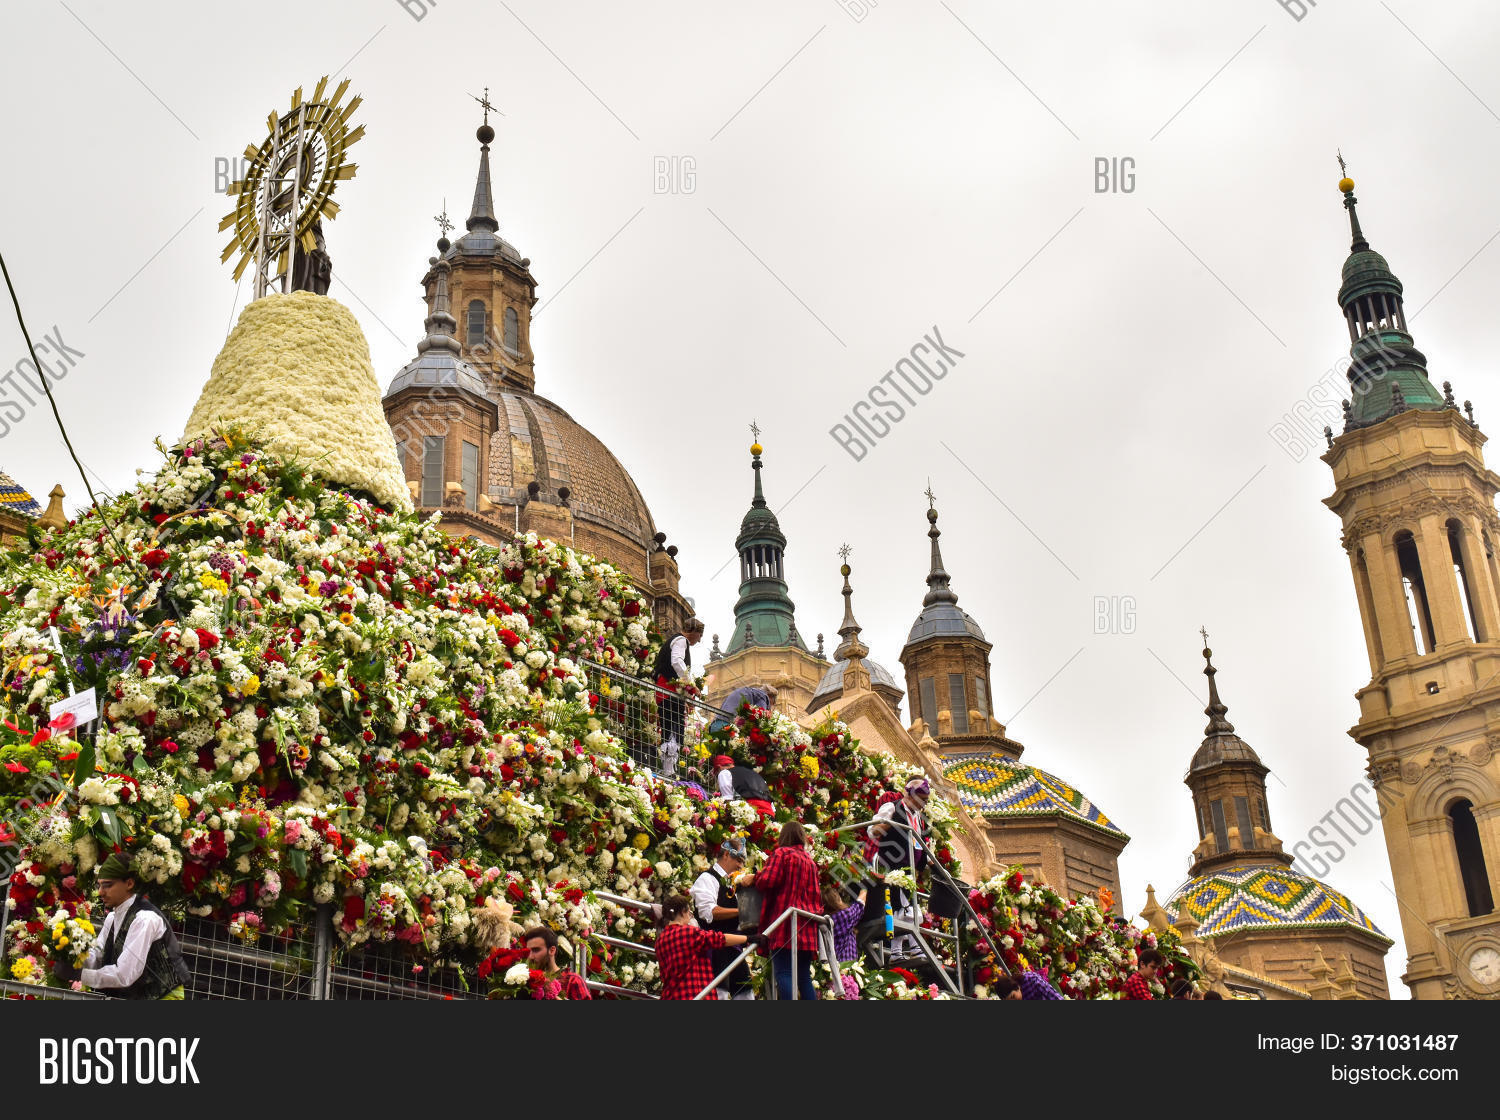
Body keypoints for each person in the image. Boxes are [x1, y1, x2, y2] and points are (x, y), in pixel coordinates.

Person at [54, 851, 192, 999]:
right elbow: (98, 957)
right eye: (99, 885)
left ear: (129, 883)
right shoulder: (112, 918)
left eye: (108, 885)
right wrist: (71, 955)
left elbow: (124, 975)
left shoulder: (145, 919)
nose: (100, 892)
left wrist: (79, 975)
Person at [742, 821, 822, 1000]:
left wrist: (755, 877)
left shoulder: (782, 853)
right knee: (804, 976)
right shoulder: (810, 861)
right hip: (807, 924)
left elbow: (768, 880)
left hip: (785, 922)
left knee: (784, 972)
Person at [691, 838, 753, 999]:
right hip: (714, 948)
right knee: (719, 994)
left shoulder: (733, 882)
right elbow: (709, 913)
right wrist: (741, 911)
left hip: (734, 946)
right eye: (738, 860)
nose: (740, 866)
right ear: (726, 855)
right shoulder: (707, 878)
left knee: (746, 994)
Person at [655, 893, 750, 1000]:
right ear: (682, 912)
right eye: (690, 913)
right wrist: (748, 938)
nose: (690, 917)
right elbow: (719, 939)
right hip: (692, 993)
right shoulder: (688, 932)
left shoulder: (660, 940)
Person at [652, 619, 704, 776]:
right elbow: (677, 662)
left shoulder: (674, 640)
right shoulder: (681, 641)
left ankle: (670, 768)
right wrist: (691, 685)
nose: (699, 640)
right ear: (693, 632)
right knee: (673, 728)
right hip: (669, 691)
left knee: (671, 728)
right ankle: (668, 769)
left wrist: (687, 694)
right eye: (700, 635)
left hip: (666, 691)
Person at [523, 925, 592, 1000]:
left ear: (552, 950)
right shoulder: (525, 980)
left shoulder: (572, 980)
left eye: (536, 950)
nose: (531, 956)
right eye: (528, 951)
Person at [823, 881, 867, 1000]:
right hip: (845, 968)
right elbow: (859, 904)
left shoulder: (825, 920)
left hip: (831, 970)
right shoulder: (842, 916)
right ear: (837, 900)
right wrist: (865, 887)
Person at [708, 683, 778, 734]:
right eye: (770, 704)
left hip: (714, 726)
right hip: (727, 727)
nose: (768, 707)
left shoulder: (745, 691)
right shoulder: (763, 695)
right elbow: (761, 719)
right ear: (770, 697)